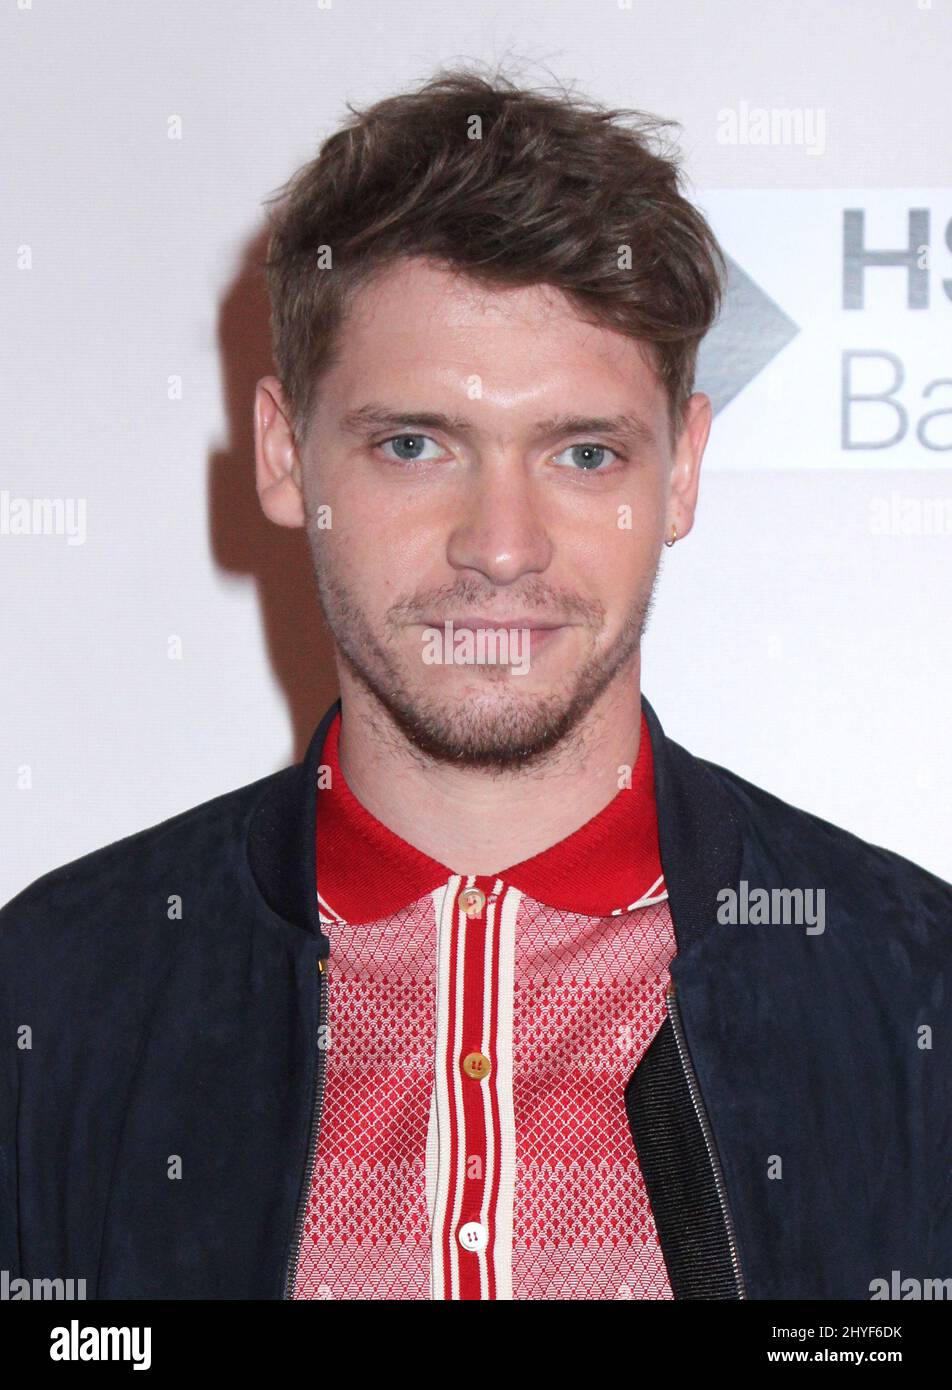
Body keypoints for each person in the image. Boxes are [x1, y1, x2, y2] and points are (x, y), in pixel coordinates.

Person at [2, 68, 950, 1302]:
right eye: (413, 444)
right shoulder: (59, 996)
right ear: (287, 457)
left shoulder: (909, 999)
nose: (501, 544)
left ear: (681, 473)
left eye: (582, 451)